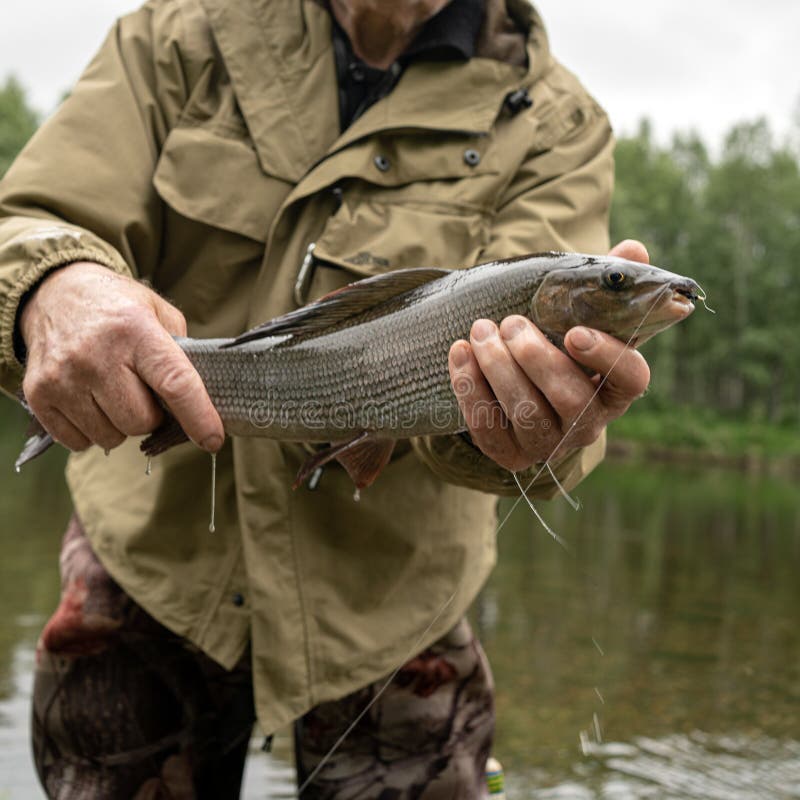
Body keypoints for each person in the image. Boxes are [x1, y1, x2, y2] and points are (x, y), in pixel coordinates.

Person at [0, 0, 650, 796]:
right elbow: (27, 217)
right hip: (148, 561)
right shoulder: (175, 35)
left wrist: (532, 433)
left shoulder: (558, 123)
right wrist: (54, 287)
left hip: (395, 599)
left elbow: (515, 427)